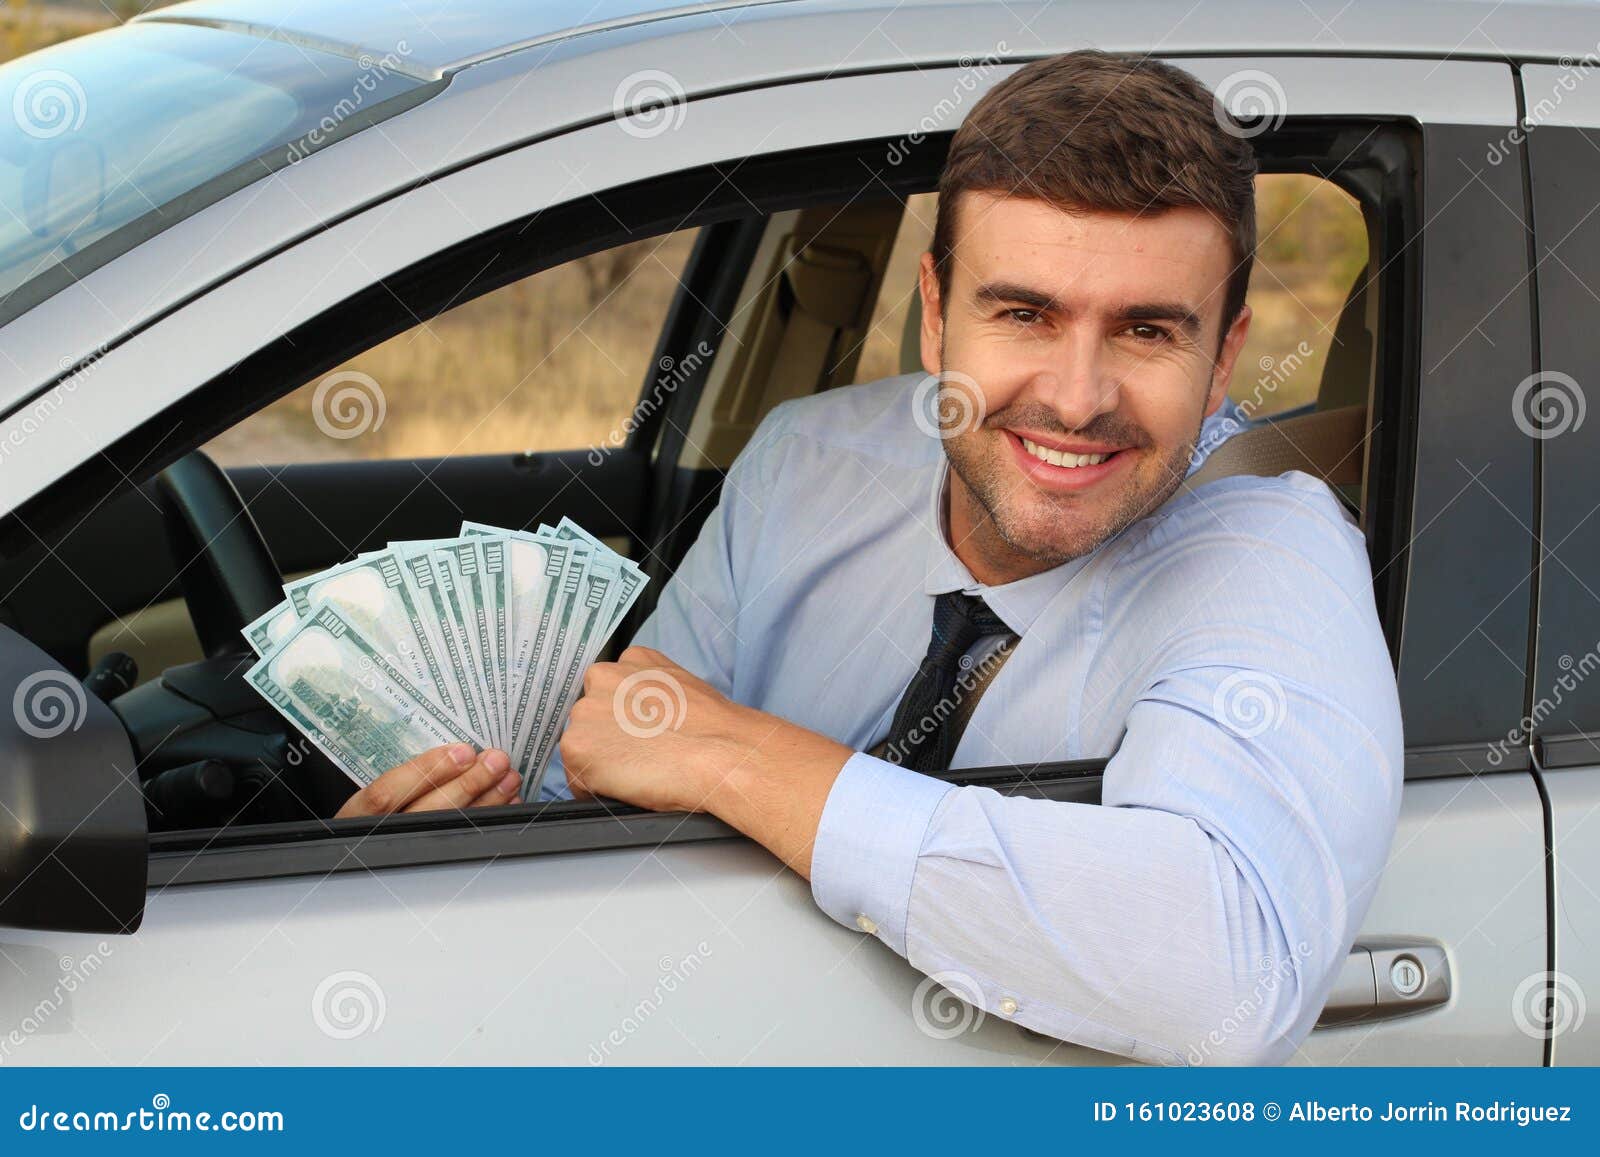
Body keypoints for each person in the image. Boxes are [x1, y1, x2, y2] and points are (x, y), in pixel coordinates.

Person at [338, 50, 1403, 1065]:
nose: (1077, 399)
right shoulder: (808, 461)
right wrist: (461, 850)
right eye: (1023, 313)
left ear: (1222, 359)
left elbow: (1231, 972)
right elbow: (627, 758)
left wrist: (743, 759)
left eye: (1146, 332)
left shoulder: (1272, 556)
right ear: (935, 317)